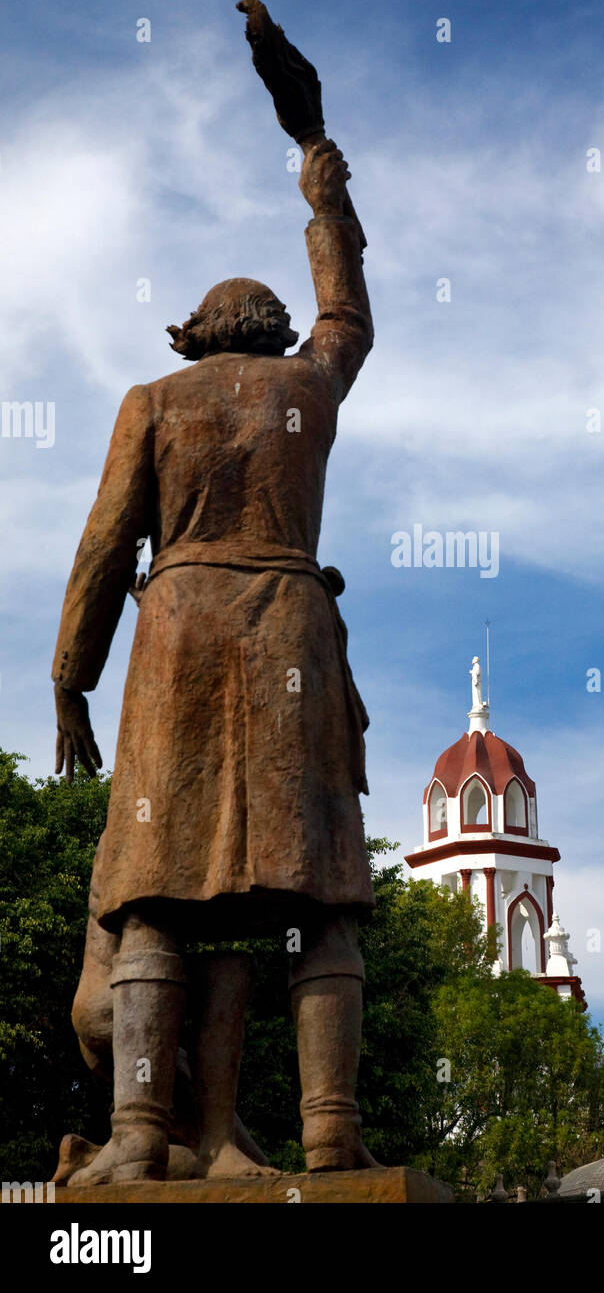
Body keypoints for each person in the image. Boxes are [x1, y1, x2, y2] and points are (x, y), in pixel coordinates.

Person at [52, 136, 378, 1183]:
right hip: (289, 629)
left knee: (153, 893)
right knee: (318, 895)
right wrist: (323, 197)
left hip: (179, 636)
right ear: (277, 331)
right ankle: (331, 1129)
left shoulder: (155, 400)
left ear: (194, 337)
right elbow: (350, 323)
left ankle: (140, 1126)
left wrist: (71, 680)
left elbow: (104, 549)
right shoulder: (308, 388)